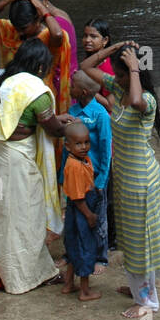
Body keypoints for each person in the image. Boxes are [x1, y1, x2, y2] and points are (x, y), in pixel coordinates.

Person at [0, 39, 70, 293]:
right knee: (24, 215)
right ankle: (26, 274)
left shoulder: (2, 79)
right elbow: (52, 129)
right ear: (39, 67)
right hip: (12, 158)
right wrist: (68, 126)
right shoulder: (37, 91)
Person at [82, 40, 160, 320]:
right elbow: (86, 67)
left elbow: (136, 100)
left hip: (142, 179)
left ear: (135, 74)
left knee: (141, 240)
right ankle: (138, 288)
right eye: (119, 75)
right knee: (132, 238)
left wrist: (134, 68)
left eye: (123, 75)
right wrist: (116, 48)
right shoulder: (119, 87)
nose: (117, 78)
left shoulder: (145, 100)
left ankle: (148, 301)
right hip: (125, 177)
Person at [0, 0, 71, 114]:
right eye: (17, 28)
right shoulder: (12, 31)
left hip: (39, 94)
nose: (20, 32)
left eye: (24, 28)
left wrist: (41, 8)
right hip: (13, 92)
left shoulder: (48, 37)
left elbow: (59, 34)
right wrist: (7, 0)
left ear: (37, 20)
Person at [64, 70, 112, 269]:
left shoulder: (99, 115)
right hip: (74, 176)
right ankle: (72, 255)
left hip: (93, 178)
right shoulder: (72, 112)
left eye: (72, 85)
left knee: (97, 220)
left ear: (83, 92)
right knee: (74, 217)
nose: (69, 88)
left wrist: (101, 181)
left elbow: (105, 148)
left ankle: (100, 257)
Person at [60, 121, 101, 303]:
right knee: (85, 247)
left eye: (86, 142)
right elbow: (77, 198)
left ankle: (68, 283)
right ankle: (84, 290)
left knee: (73, 246)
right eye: (78, 143)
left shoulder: (82, 159)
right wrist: (89, 215)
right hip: (81, 210)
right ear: (67, 145)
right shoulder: (74, 166)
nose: (84, 147)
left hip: (78, 208)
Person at [82, 18, 115, 112]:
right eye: (85, 36)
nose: (87, 40)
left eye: (93, 36)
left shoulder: (109, 67)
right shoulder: (87, 60)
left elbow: (110, 106)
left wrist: (86, 89)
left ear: (105, 40)